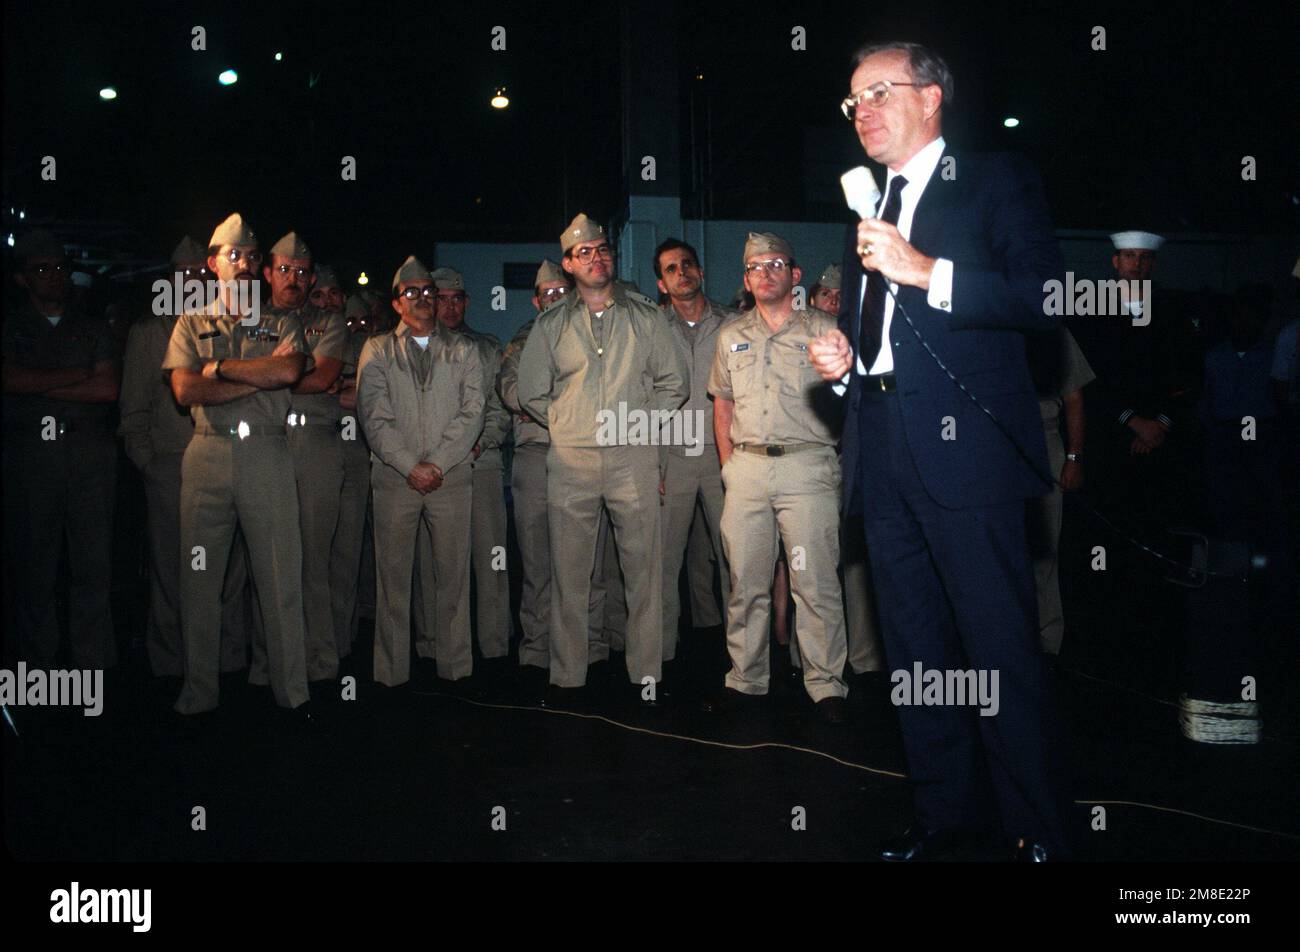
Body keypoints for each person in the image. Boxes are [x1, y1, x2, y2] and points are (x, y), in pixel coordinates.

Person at [808, 41, 1067, 860]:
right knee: (914, 653)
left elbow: (1043, 296)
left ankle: (1038, 836)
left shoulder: (996, 180)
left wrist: (928, 270)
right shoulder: (868, 206)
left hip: (970, 460)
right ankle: (944, 821)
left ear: (932, 97)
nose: (864, 112)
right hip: (883, 452)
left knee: (998, 656)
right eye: (853, 103)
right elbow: (887, 344)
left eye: (879, 93)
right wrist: (849, 369)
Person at [516, 213, 688, 708]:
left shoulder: (646, 317)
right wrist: (571, 425)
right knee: (569, 572)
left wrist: (637, 425)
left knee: (643, 571)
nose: (597, 257)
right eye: (584, 252)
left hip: (632, 456)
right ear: (568, 264)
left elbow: (673, 382)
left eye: (603, 249)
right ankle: (568, 677)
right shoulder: (551, 325)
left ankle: (646, 674)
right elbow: (531, 392)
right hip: (570, 462)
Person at [162, 213, 315, 720]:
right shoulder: (190, 322)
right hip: (207, 453)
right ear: (212, 264)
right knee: (199, 580)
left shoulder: (282, 322)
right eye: (234, 256)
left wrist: (220, 369)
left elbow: (290, 369)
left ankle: (292, 693)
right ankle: (199, 690)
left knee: (280, 576)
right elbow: (185, 390)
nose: (245, 265)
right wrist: (260, 377)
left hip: (266, 453)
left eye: (252, 258)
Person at [704, 233, 848, 723]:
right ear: (744, 279)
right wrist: (728, 465)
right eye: (753, 267)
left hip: (807, 465)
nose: (763, 273)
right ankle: (745, 678)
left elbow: (854, 395)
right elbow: (721, 401)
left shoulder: (826, 328)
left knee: (815, 582)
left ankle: (826, 684)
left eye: (774, 264)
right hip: (746, 468)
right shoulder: (730, 335)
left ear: (795, 275)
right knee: (746, 580)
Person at [357, 256, 484, 689]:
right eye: (412, 292)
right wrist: (411, 466)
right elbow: (373, 416)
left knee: (452, 578)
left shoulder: (463, 349)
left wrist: (439, 464)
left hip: (451, 478)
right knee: (393, 579)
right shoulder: (377, 349)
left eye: (429, 292)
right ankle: (391, 674)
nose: (424, 299)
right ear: (396, 303)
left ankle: (455, 669)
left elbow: (473, 413)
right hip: (395, 479)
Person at [3, 229, 120, 669]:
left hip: (90, 461)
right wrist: (75, 376)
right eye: (41, 269)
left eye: (59, 268)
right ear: (22, 279)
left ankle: (93, 662)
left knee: (93, 568)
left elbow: (107, 387)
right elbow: (10, 379)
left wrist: (38, 382)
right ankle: (39, 663)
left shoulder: (92, 328)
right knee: (35, 567)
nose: (53, 276)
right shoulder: (12, 328)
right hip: (32, 462)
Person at [258, 232, 348, 689]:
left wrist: (262, 376)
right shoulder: (249, 320)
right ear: (268, 272)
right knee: (265, 558)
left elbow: (325, 377)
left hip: (313, 446)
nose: (293, 279)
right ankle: (266, 662)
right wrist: (287, 374)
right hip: (263, 442)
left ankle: (321, 661)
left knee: (314, 557)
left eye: (301, 272)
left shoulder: (329, 322)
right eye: (285, 270)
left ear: (310, 277)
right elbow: (307, 378)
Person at [652, 237, 737, 675]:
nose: (681, 272)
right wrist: (652, 461)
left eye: (687, 264)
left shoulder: (733, 324)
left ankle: (742, 660)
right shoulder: (650, 328)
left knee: (734, 558)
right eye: (670, 268)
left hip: (725, 454)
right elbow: (641, 396)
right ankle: (661, 659)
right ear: (661, 283)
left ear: (700, 272)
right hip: (672, 457)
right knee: (663, 563)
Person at [423, 266, 513, 674]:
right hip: (434, 470)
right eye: (441, 298)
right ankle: (433, 645)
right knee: (435, 563)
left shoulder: (487, 346)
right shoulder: (418, 347)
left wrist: (480, 444)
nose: (450, 306)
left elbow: (499, 409)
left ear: (466, 303)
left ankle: (494, 646)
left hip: (481, 464)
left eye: (456, 299)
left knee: (491, 556)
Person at [1025, 327, 1095, 655]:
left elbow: (1074, 397)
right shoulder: (988, 321)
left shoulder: (1054, 331)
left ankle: (1047, 643)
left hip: (1044, 441)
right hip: (995, 444)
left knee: (1044, 550)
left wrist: (1074, 456)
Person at [330, 290, 374, 663]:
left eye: (363, 322)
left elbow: (368, 398)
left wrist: (339, 389)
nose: (356, 329)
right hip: (319, 452)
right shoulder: (322, 343)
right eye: (350, 322)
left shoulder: (374, 350)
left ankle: (344, 640)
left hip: (360, 456)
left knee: (350, 552)